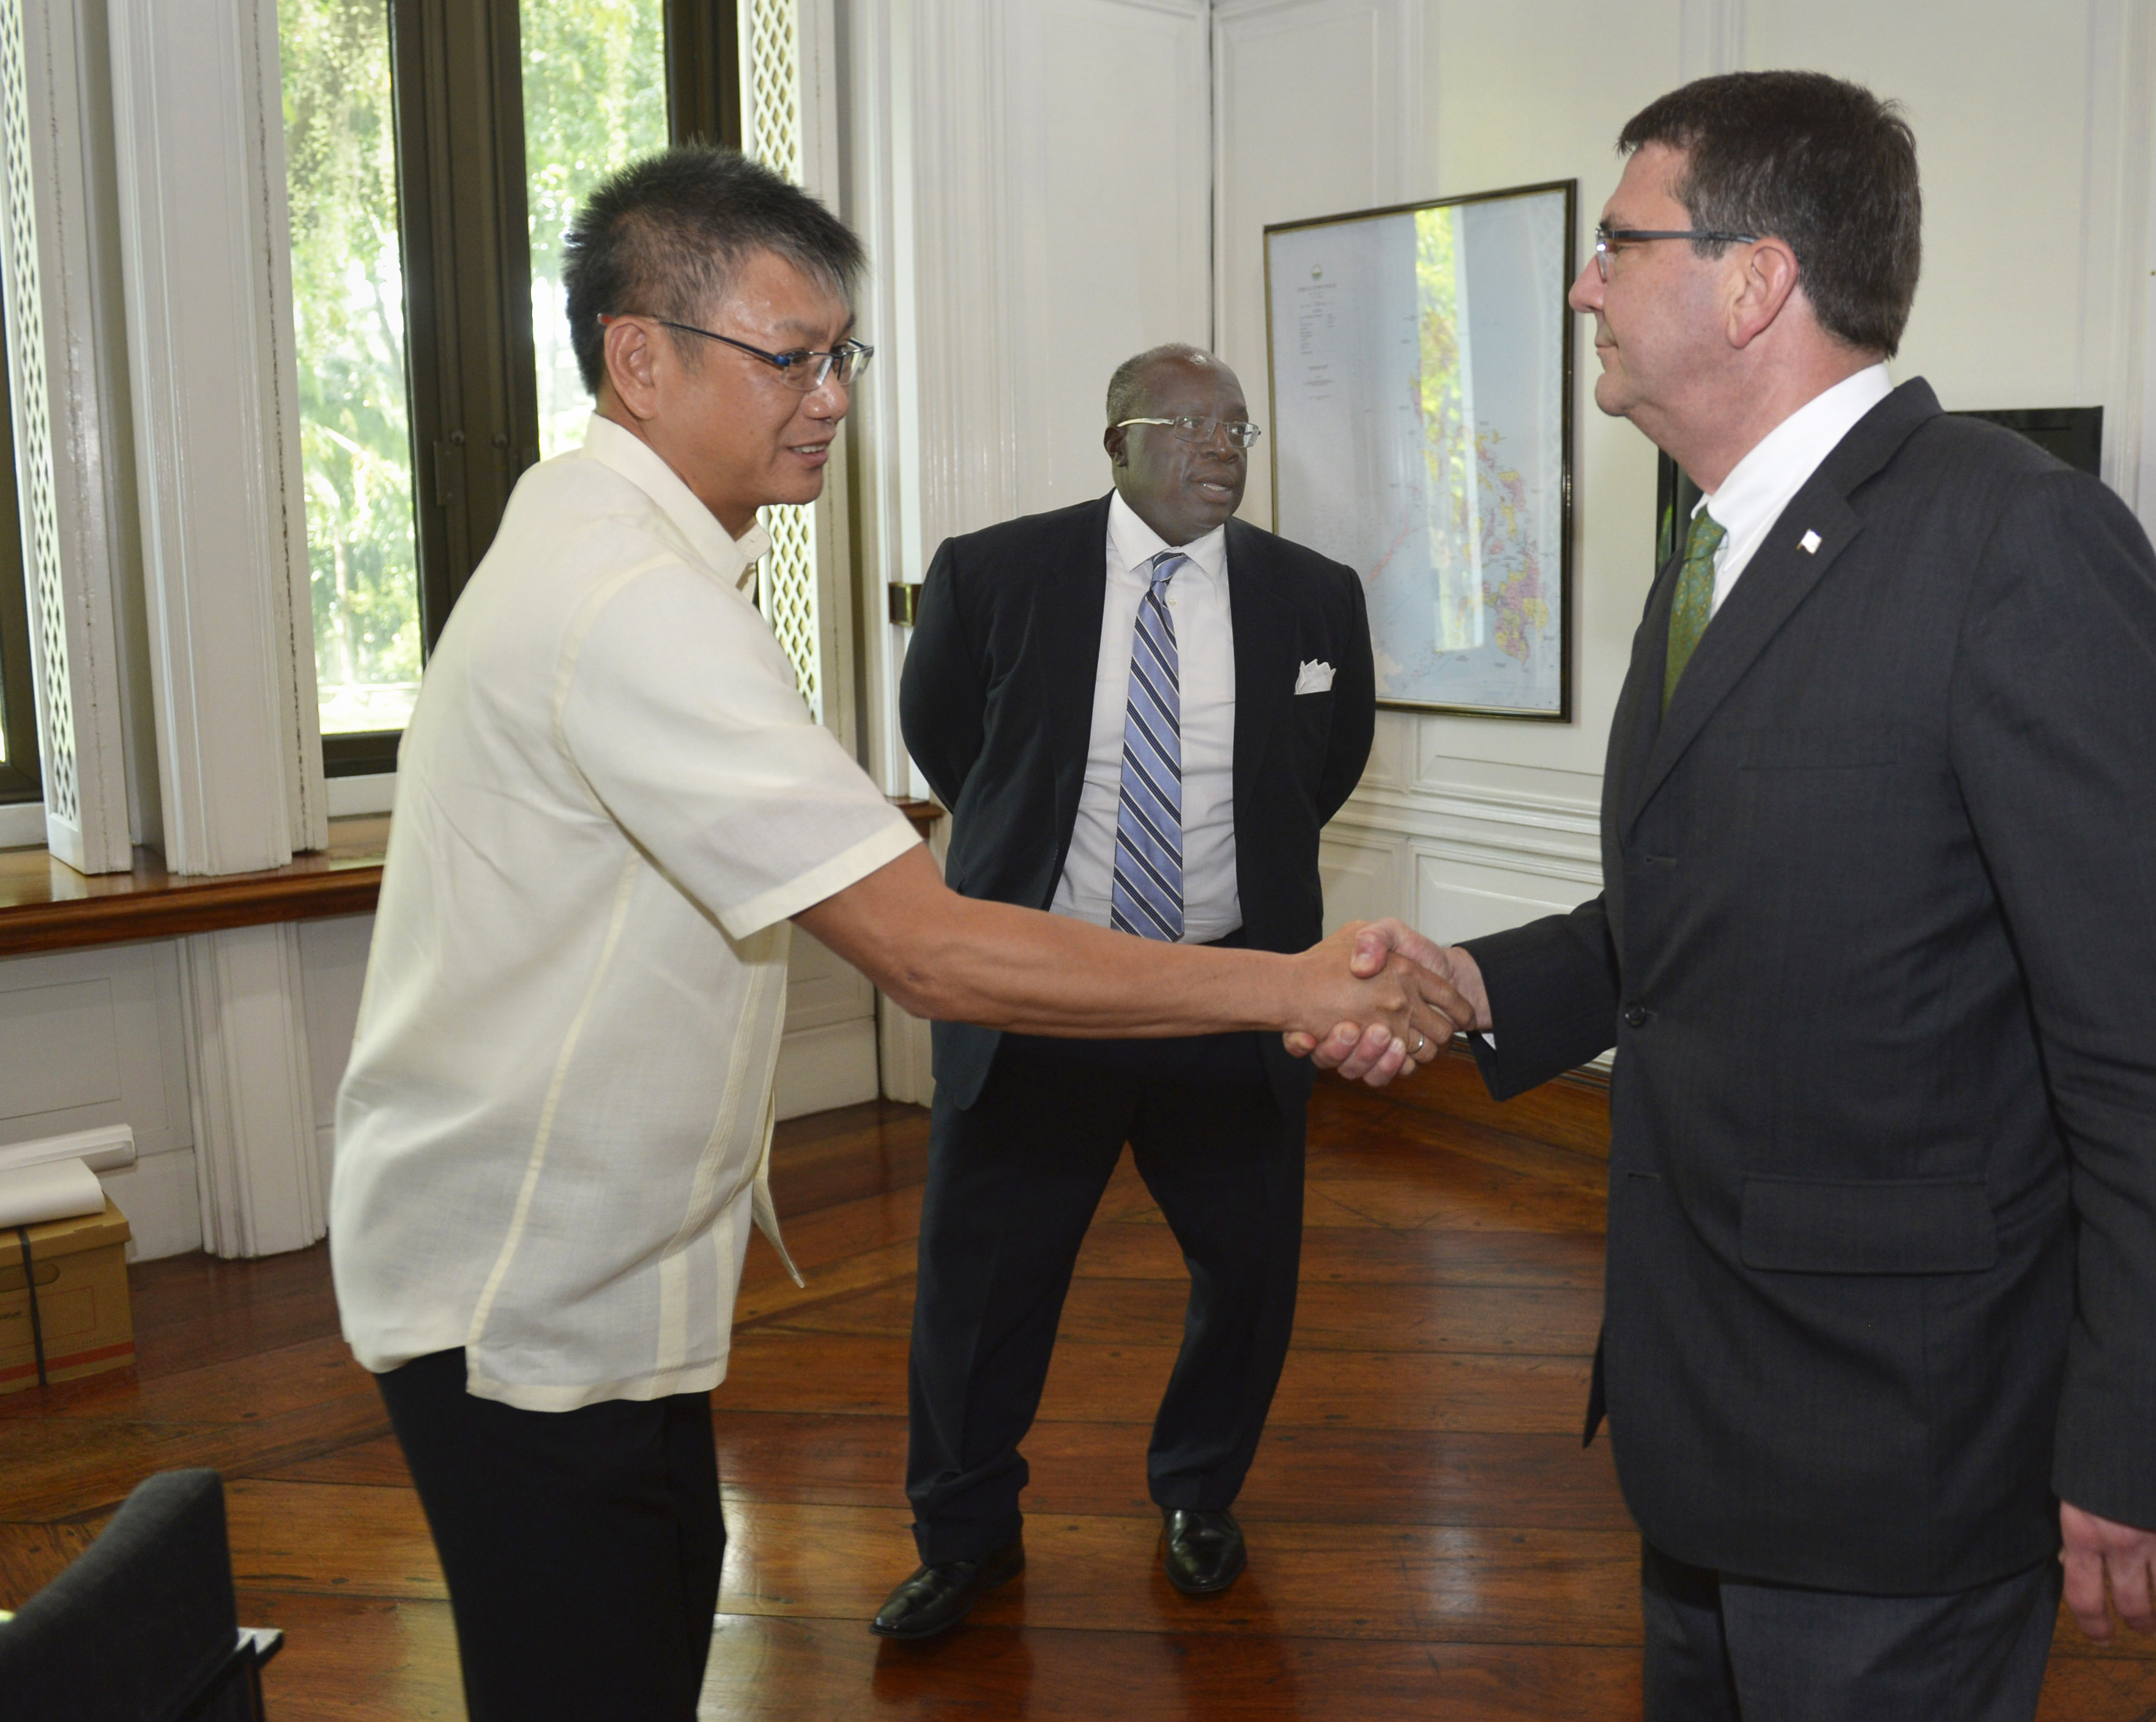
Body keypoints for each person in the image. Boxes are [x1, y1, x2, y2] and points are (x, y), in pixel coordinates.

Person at [329, 150, 1465, 1722]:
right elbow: (930, 947)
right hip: (525, 1301)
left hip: (598, 1293)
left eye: (841, 355)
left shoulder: (612, 546)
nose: (828, 396)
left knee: (641, 1652)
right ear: (637, 358)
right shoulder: (630, 599)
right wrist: (1291, 984)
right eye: (787, 357)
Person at [1306, 72, 2156, 1719]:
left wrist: (2151, 1435)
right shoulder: (1714, 546)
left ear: (1753, 281)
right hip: (1707, 1429)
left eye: (1618, 242)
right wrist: (1473, 982)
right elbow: (1724, 905)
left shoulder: (2018, 547)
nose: (1580, 283)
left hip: (1900, 1450)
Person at [874, 343, 1377, 1638]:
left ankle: (1201, 1492)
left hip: (1231, 997)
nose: (1225, 450)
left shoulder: (1315, 597)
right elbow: (957, 748)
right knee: (981, 1286)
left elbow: (1321, 770)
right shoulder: (991, 575)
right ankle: (967, 1534)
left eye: (1242, 430)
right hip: (1045, 999)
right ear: (1116, 440)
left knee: (1248, 1269)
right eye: (1193, 426)